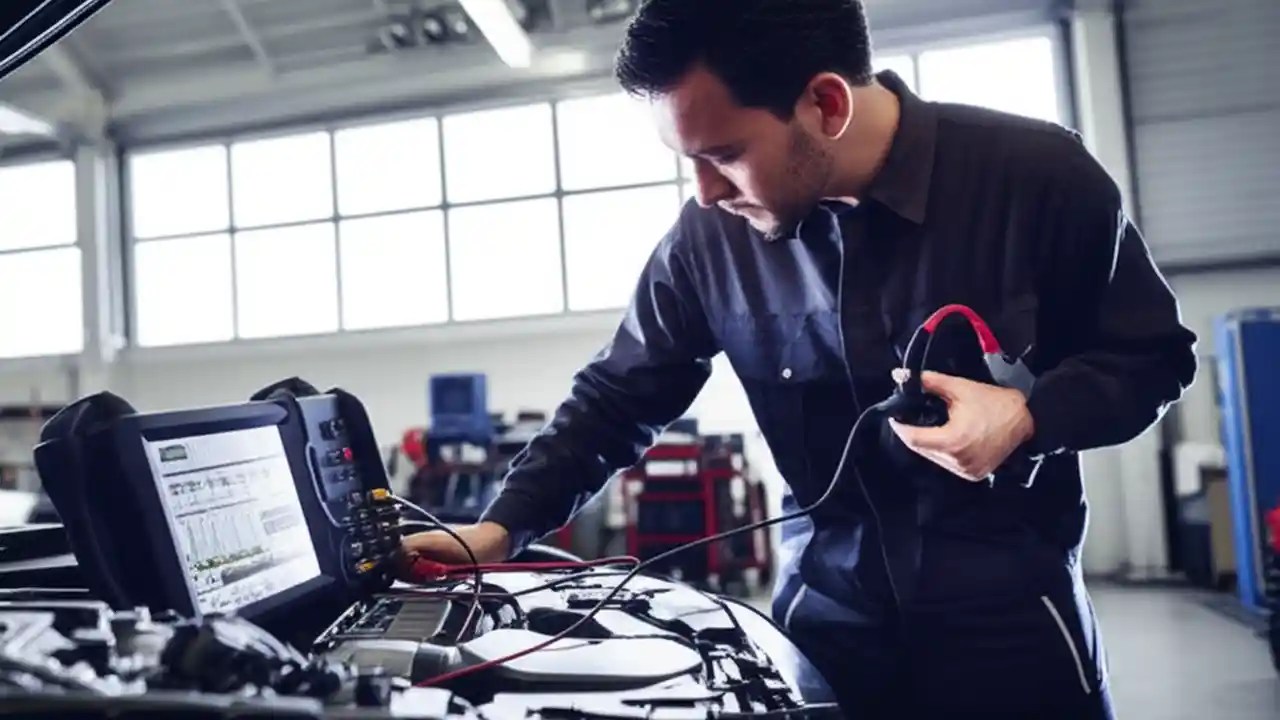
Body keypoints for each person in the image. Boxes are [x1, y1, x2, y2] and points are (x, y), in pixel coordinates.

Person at [401, 0, 1198, 716]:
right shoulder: (709, 239)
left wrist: (1031, 416)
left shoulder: (1036, 178)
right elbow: (618, 396)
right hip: (823, 636)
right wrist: (502, 528)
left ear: (826, 104)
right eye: (688, 160)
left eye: (724, 154)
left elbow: (1153, 356)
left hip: (1015, 636)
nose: (705, 192)